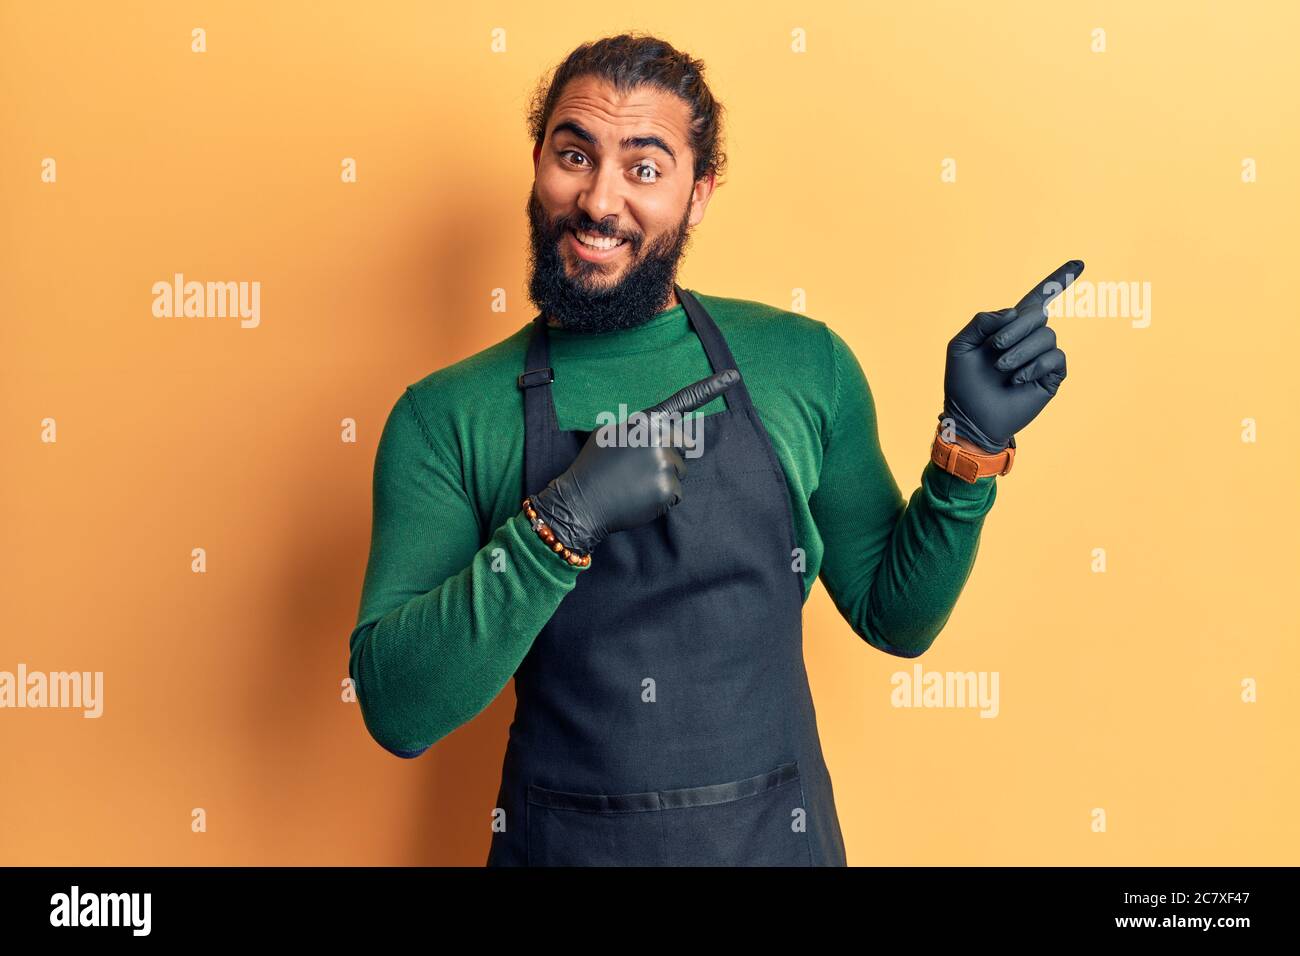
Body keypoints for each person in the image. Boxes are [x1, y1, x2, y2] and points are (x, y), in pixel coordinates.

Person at [347, 32, 1079, 866]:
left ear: (699, 194)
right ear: (539, 166)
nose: (598, 200)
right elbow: (398, 711)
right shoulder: (446, 416)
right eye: (573, 154)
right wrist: (560, 522)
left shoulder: (803, 363)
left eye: (645, 167)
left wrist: (970, 448)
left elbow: (897, 619)